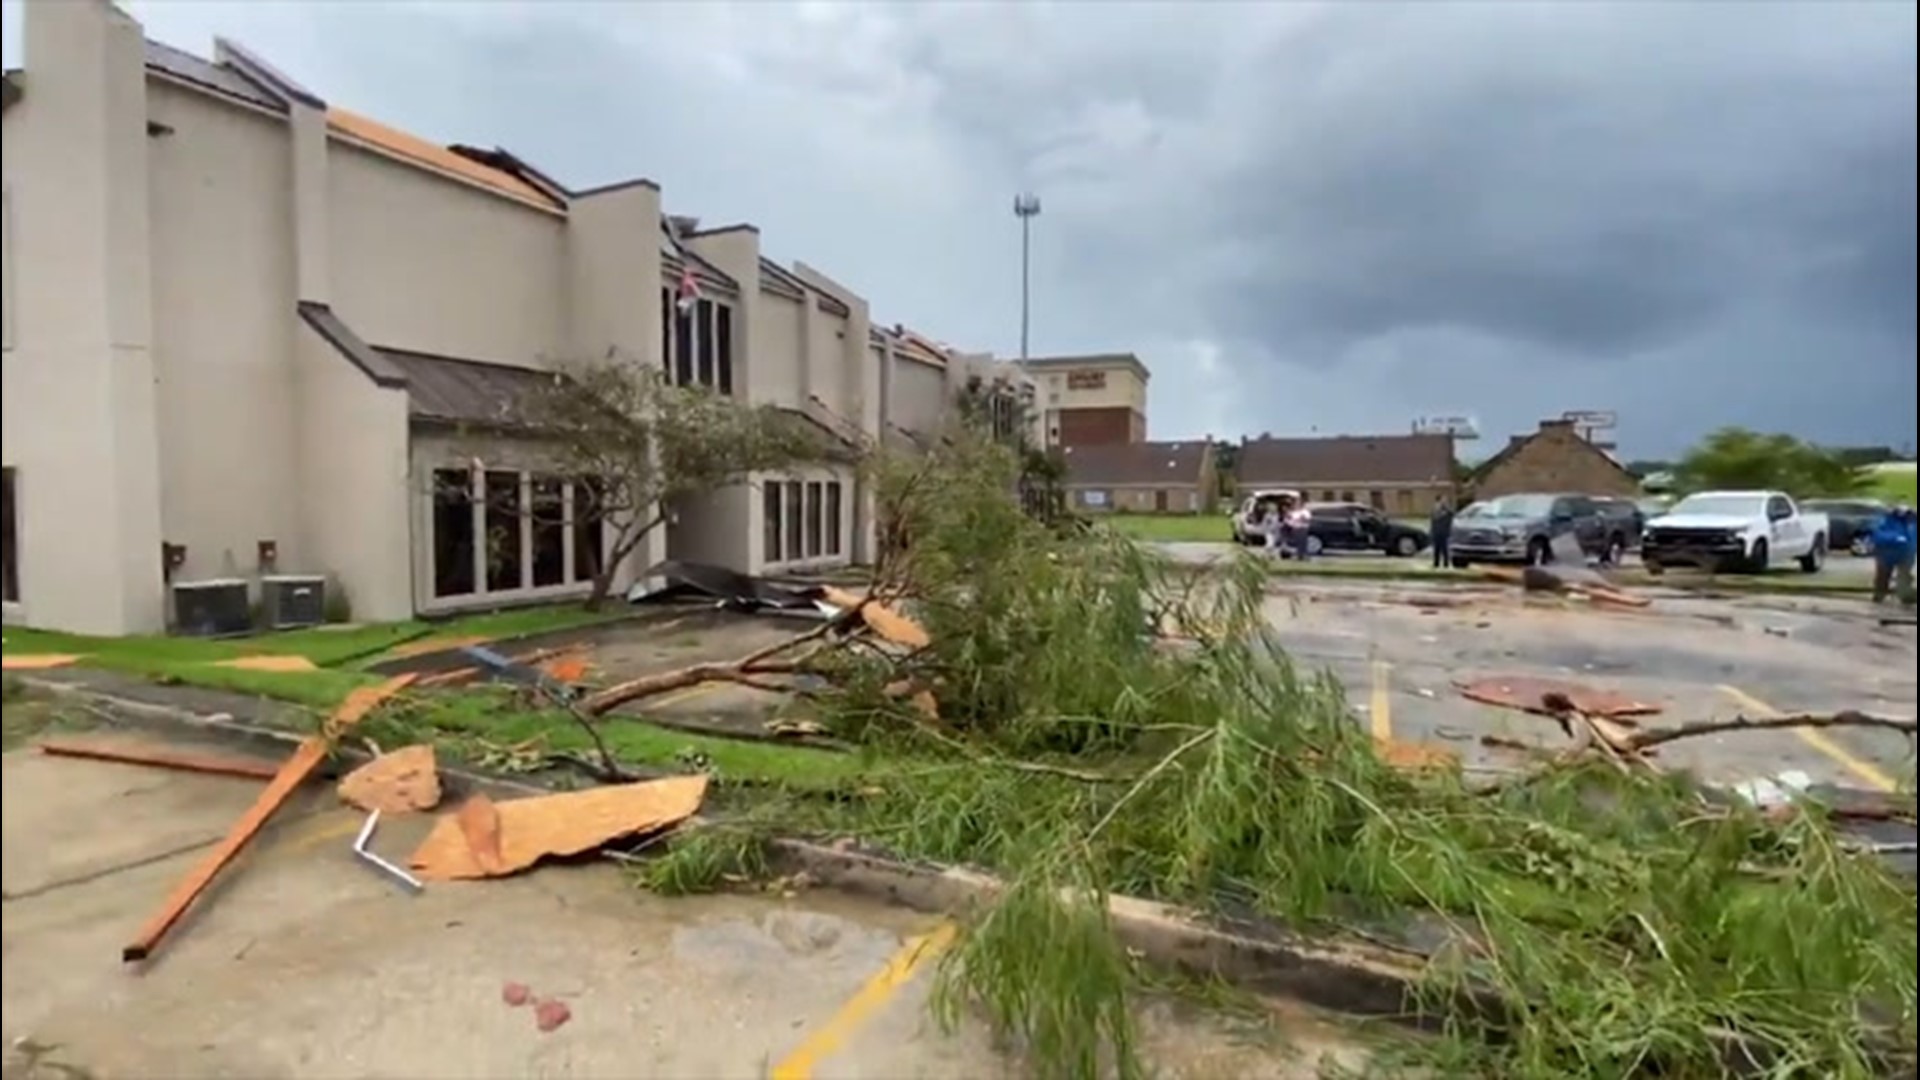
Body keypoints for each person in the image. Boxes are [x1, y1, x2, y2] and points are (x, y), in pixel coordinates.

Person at [1868, 503, 1918, 605]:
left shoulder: (1913, 522)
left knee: (1904, 577)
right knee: (1882, 577)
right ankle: (1879, 596)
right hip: (1886, 554)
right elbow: (1877, 535)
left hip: (1906, 554)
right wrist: (1896, 538)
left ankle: (1906, 597)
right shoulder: (1885, 520)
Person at [1429, 497, 1455, 568]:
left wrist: (1445, 507)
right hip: (1436, 531)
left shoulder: (1448, 512)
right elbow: (1433, 519)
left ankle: (1445, 563)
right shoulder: (1435, 511)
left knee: (1445, 549)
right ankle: (1436, 563)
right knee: (1436, 549)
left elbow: (1451, 513)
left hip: (1444, 532)